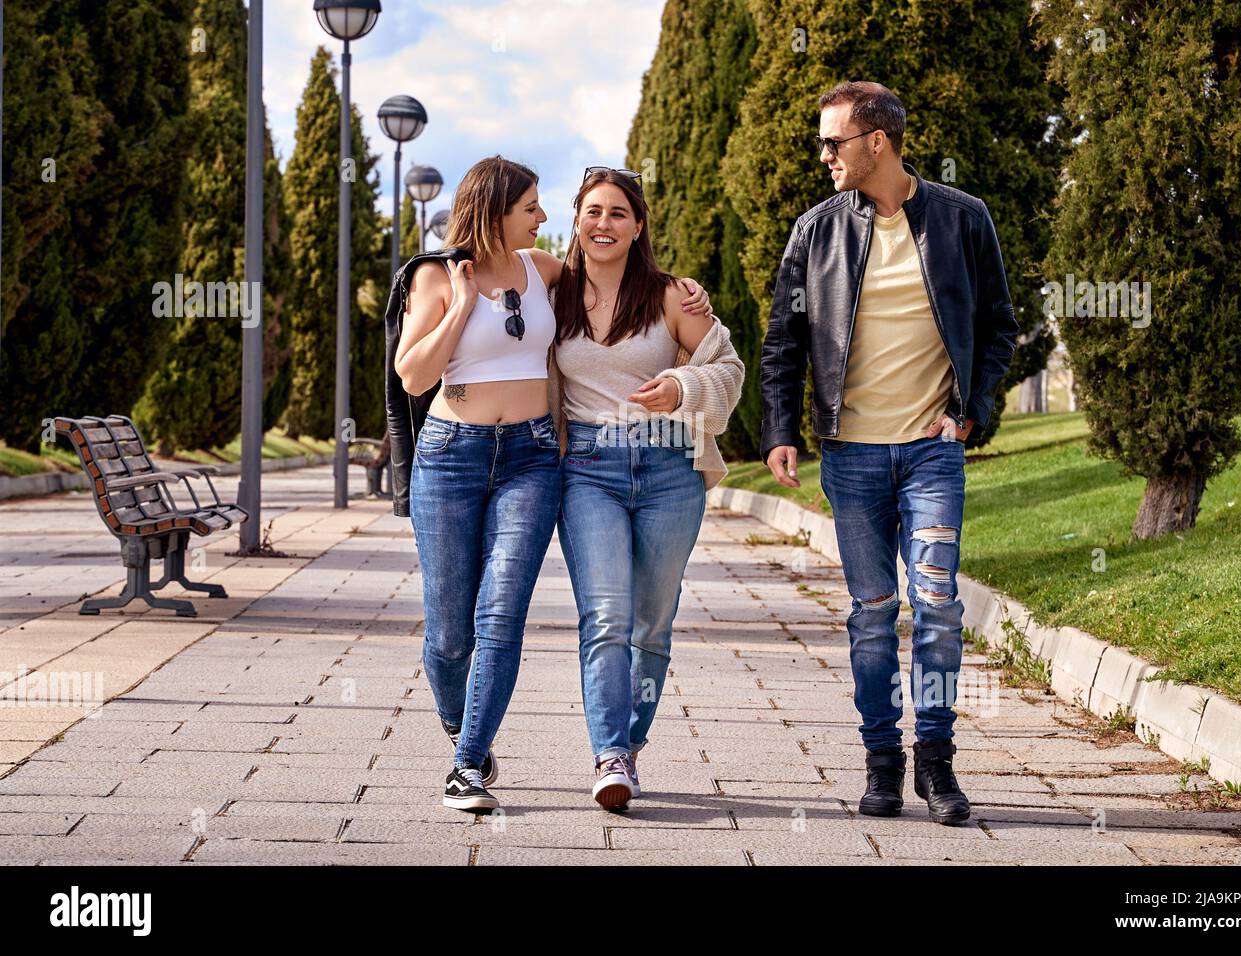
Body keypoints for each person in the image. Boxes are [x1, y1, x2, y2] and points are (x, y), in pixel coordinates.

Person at [390, 157, 712, 813]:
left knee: (501, 615)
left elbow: (616, 279)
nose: (544, 220)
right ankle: (463, 725)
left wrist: (685, 293)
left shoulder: (542, 271)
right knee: (450, 634)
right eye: (532, 208)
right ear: (496, 209)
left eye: (543, 209)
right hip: (452, 454)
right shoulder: (432, 275)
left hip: (534, 457)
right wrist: (458, 307)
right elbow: (413, 377)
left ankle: (468, 764)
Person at [759, 83, 1019, 826]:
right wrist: (781, 430)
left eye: (833, 142)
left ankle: (937, 766)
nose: (823, 155)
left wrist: (975, 412)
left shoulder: (964, 219)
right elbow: (783, 342)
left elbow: (999, 327)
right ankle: (882, 762)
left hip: (933, 452)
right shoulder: (816, 232)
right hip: (851, 455)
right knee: (873, 614)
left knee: (937, 607)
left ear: (878, 142)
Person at [549, 167, 744, 810]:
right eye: (592, 211)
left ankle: (628, 748)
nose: (603, 223)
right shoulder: (552, 290)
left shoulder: (670, 298)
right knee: (605, 616)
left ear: (638, 228)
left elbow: (727, 367)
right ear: (576, 219)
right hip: (588, 470)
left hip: (668, 471)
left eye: (618, 213)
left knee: (652, 624)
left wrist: (683, 388)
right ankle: (608, 753)